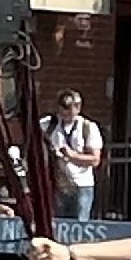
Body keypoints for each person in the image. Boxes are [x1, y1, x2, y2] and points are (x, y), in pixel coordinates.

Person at [41, 90, 105, 223]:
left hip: (81, 185)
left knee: (79, 224)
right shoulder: (48, 125)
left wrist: (72, 156)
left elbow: (95, 160)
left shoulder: (88, 127)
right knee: (57, 224)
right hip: (57, 186)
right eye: (63, 108)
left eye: (71, 109)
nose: (66, 113)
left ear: (78, 108)